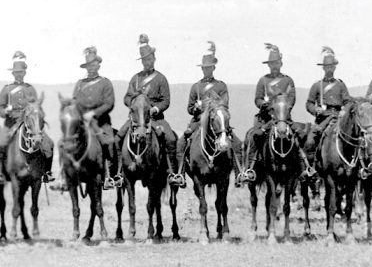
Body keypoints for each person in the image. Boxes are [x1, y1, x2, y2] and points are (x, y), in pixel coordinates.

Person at [174, 41, 238, 183]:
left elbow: (224, 104)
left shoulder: (221, 86)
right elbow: (189, 108)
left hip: (217, 121)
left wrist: (208, 105)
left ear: (213, 68)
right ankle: (180, 175)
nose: (206, 70)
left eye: (209, 68)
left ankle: (240, 173)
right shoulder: (196, 87)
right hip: (198, 122)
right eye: (204, 68)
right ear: (201, 69)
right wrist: (196, 108)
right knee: (181, 143)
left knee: (237, 143)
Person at [118, 34, 178, 177]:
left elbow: (166, 101)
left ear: (154, 59)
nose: (147, 62)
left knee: (171, 138)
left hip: (155, 118)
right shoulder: (136, 79)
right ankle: (118, 173)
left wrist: (155, 109)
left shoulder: (161, 78)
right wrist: (134, 103)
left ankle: (173, 173)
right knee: (117, 138)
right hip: (137, 119)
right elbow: (126, 98)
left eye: (149, 59)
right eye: (144, 60)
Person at [0, 51, 54, 182]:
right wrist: (5, 111)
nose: (19, 74)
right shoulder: (7, 89)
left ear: (24, 73)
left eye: (21, 72)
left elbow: (37, 107)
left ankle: (47, 172)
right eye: (16, 72)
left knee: (49, 143)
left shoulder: (30, 89)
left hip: (29, 123)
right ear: (13, 73)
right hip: (11, 123)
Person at [245, 43, 297, 167]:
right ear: (268, 65)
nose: (274, 66)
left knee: (300, 137)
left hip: (283, 118)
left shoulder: (287, 80)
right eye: (272, 64)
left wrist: (282, 107)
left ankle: (302, 169)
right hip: (265, 118)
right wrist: (263, 104)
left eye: (276, 63)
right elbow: (257, 99)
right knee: (254, 137)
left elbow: (291, 99)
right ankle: (250, 168)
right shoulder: (263, 81)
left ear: (281, 64)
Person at [73, 46, 117, 188]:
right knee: (66, 142)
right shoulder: (80, 84)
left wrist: (93, 113)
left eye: (93, 64)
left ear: (98, 65)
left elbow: (109, 103)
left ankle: (109, 176)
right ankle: (66, 175)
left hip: (101, 122)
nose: (91, 68)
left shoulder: (105, 82)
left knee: (109, 143)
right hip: (82, 122)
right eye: (88, 65)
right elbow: (74, 102)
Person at [303, 47, 352, 156]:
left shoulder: (340, 85)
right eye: (327, 67)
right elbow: (309, 103)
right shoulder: (317, 85)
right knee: (310, 141)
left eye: (331, 66)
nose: (329, 69)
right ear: (323, 68)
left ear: (334, 68)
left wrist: (345, 111)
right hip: (322, 118)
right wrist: (315, 109)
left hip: (338, 118)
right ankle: (311, 168)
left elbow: (348, 102)